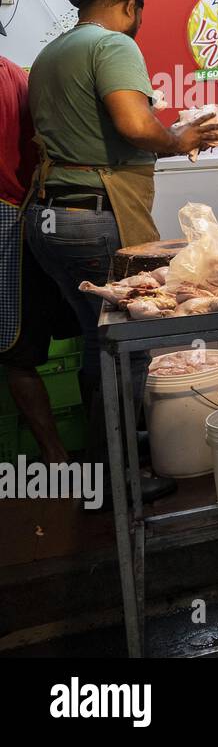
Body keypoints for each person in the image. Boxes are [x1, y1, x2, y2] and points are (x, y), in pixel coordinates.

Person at [23, 0, 218, 500]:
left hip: (50, 215)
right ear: (131, 8)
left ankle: (108, 458)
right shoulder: (113, 44)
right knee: (125, 345)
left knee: (99, 339)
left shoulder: (50, 54)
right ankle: (115, 480)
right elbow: (136, 127)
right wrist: (179, 138)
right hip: (93, 215)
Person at [0, 54, 78, 463]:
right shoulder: (16, 71)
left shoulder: (14, 74)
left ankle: (54, 454)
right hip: (36, 210)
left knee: (17, 350)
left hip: (9, 217)